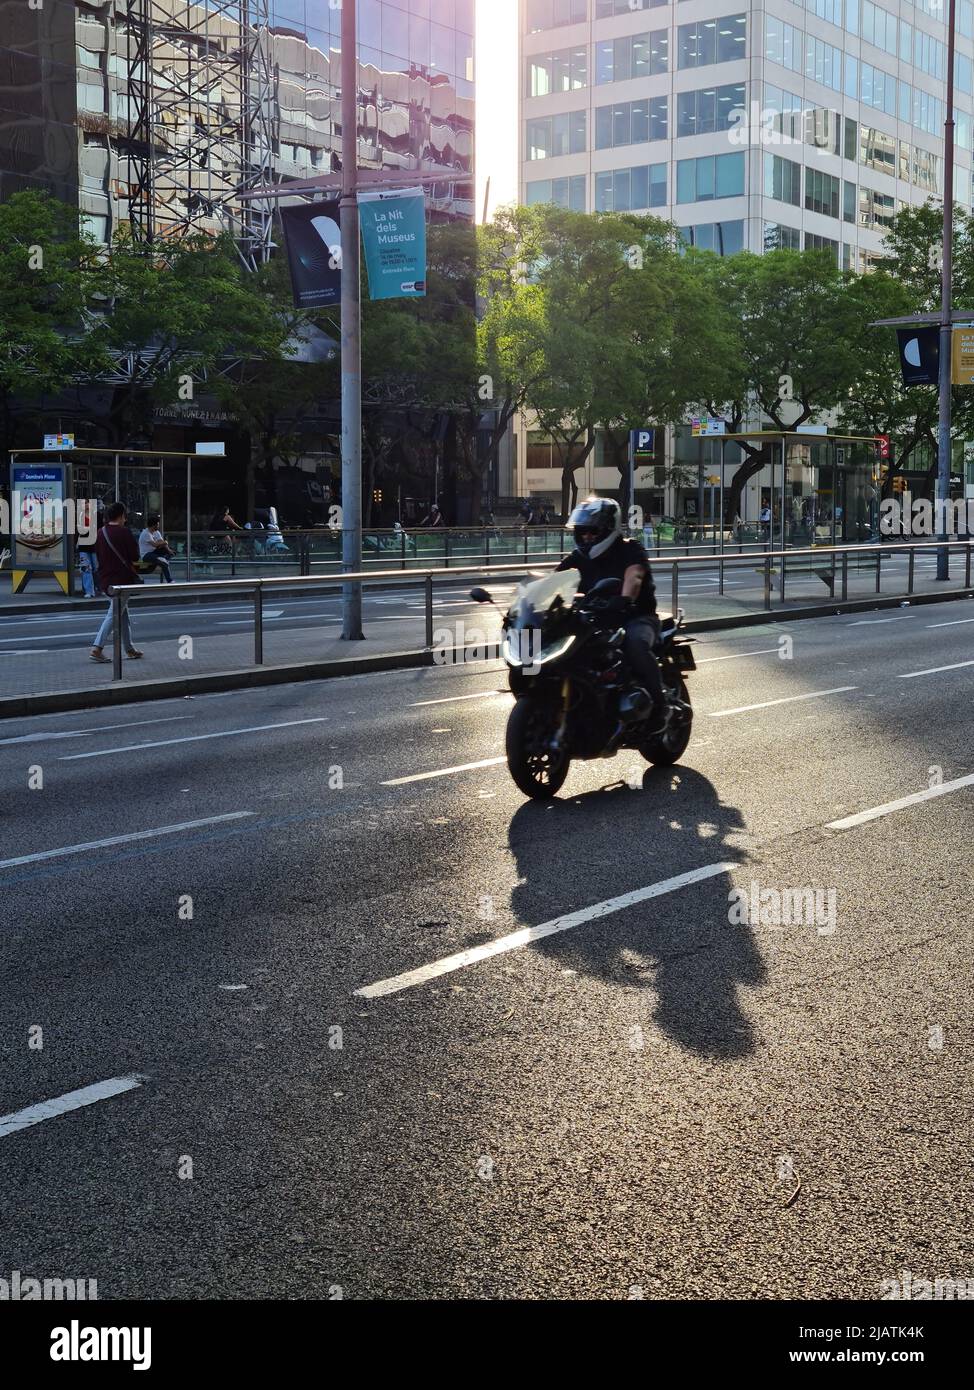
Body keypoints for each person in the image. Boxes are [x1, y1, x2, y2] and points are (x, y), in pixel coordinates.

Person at [556, 496, 666, 732]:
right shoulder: (577, 558)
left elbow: (634, 577)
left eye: (592, 531)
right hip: (595, 619)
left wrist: (625, 598)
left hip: (635, 617)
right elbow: (553, 581)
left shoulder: (630, 549)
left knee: (635, 645)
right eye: (582, 531)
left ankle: (660, 707)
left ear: (607, 529)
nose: (586, 537)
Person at [89, 502, 144, 663]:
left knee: (122, 613)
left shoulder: (100, 532)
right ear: (121, 516)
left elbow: (97, 554)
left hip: (105, 580)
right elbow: (134, 556)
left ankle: (129, 648)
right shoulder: (124, 533)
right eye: (125, 516)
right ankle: (97, 648)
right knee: (113, 615)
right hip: (122, 581)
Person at [77, 501, 103, 598]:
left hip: (95, 545)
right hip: (83, 545)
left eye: (87, 503)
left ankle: (99, 587)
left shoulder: (97, 515)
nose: (85, 505)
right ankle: (89, 591)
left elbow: (100, 529)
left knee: (96, 568)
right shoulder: (80, 515)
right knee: (86, 568)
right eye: (83, 503)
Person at [138, 513, 173, 582]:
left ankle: (161, 560)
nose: (158, 526)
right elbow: (155, 544)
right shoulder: (145, 533)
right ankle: (170, 580)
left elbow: (161, 541)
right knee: (164, 563)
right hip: (146, 555)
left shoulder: (156, 532)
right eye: (157, 524)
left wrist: (169, 550)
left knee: (169, 551)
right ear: (154, 525)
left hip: (155, 552)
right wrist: (165, 542)